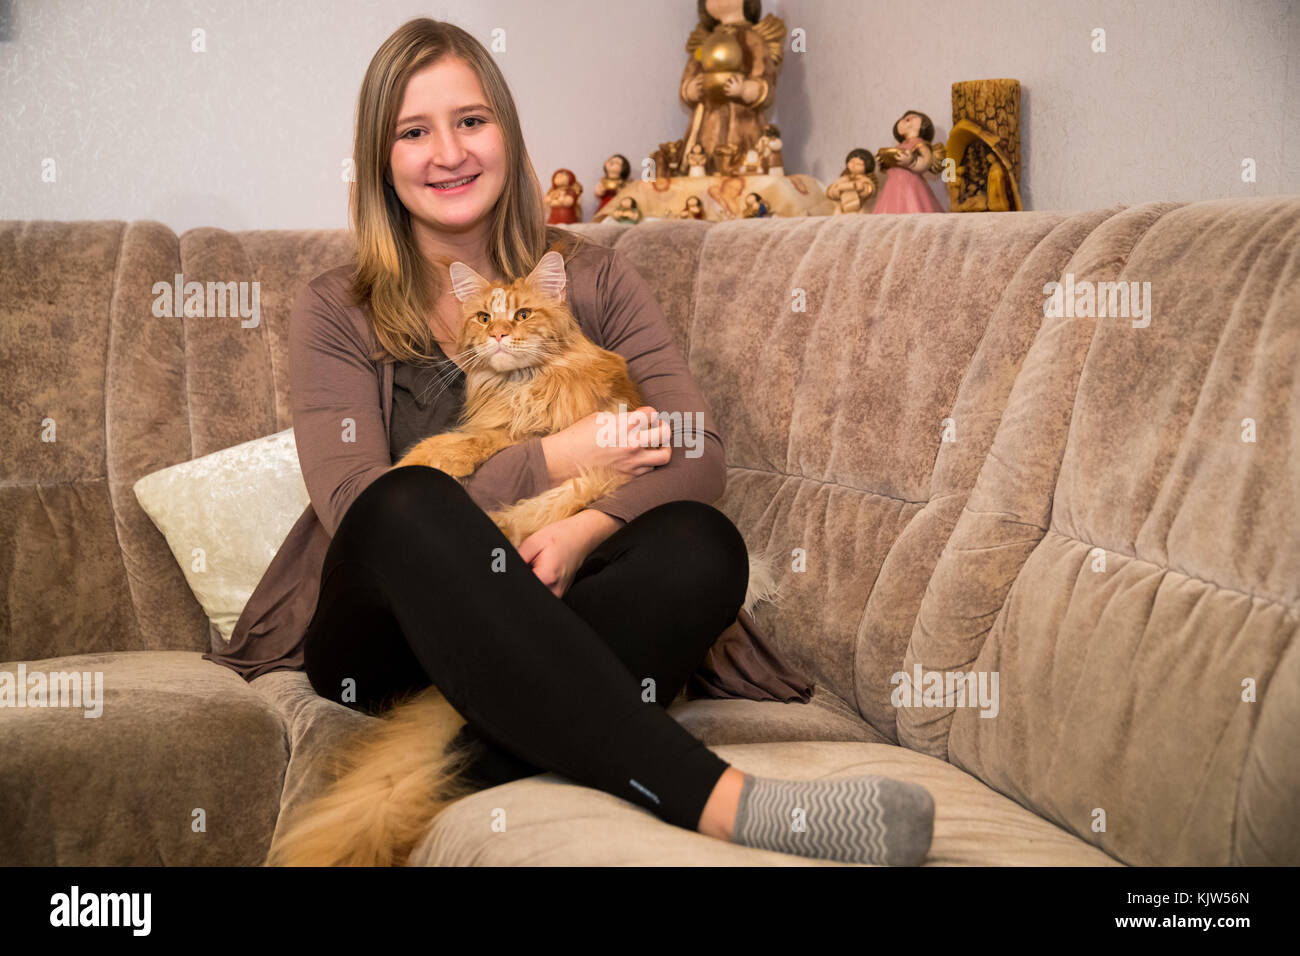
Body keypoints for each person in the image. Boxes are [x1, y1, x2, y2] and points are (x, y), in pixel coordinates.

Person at [287, 16, 935, 866]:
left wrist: (583, 526)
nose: (447, 152)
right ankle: (714, 795)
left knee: (702, 545)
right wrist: (562, 456)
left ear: (507, 136)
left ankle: (501, 738)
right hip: (385, 640)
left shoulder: (590, 276)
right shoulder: (335, 308)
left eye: (471, 121)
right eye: (414, 131)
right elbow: (354, 509)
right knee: (408, 499)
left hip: (554, 602)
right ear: (382, 158)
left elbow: (695, 446)